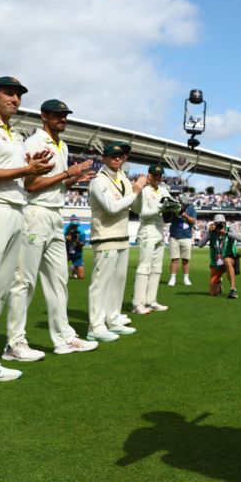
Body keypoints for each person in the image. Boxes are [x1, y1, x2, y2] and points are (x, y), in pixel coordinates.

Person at [0, 76, 54, 395]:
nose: (15, 99)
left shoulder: (12, 134)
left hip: (14, 212)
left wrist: (33, 168)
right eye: (8, 93)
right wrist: (25, 171)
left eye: (18, 95)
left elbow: (19, 178)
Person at [4, 99, 99, 362]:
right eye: (58, 115)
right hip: (35, 214)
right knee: (24, 281)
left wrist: (71, 180)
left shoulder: (63, 145)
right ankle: (14, 344)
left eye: (65, 115)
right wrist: (67, 173)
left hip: (54, 215)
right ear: (44, 116)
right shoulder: (34, 143)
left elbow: (54, 185)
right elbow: (31, 185)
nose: (63, 119)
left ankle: (64, 337)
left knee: (59, 280)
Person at [86, 141, 147, 342]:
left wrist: (138, 191)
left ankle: (112, 319)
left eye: (120, 156)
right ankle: (95, 326)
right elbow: (111, 207)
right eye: (113, 156)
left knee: (118, 282)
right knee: (101, 283)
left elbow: (136, 209)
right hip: (105, 236)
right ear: (104, 158)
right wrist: (135, 192)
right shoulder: (99, 180)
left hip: (122, 237)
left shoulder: (123, 178)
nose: (118, 159)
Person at [131, 165, 170, 314]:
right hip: (148, 228)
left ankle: (151, 300)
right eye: (154, 175)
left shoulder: (164, 191)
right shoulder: (144, 191)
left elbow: (171, 206)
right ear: (149, 175)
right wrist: (159, 209)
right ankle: (138, 303)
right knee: (144, 266)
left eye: (159, 175)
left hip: (160, 229)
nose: (157, 178)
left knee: (157, 267)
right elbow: (142, 213)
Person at [198, 214, 239, 299]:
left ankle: (233, 289)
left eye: (222, 223)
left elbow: (240, 238)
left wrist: (226, 233)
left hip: (229, 259)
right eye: (217, 224)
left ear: (225, 223)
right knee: (213, 292)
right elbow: (200, 245)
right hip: (216, 263)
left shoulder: (229, 230)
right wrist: (208, 232)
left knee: (227, 260)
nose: (220, 226)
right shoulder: (211, 233)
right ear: (214, 224)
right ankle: (219, 284)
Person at [166, 194, 198, 286]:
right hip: (174, 236)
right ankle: (172, 278)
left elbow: (193, 221)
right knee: (174, 259)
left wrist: (185, 215)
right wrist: (175, 212)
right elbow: (168, 218)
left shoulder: (191, 208)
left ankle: (186, 278)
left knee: (186, 259)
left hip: (186, 236)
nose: (183, 205)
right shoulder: (174, 207)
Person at [65, 214, 86, 279]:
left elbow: (82, 245)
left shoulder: (82, 232)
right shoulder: (65, 231)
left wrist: (77, 241)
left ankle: (74, 267)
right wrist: (66, 239)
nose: (74, 227)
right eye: (73, 226)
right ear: (70, 225)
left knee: (81, 276)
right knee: (59, 271)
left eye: (76, 226)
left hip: (77, 254)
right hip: (66, 253)